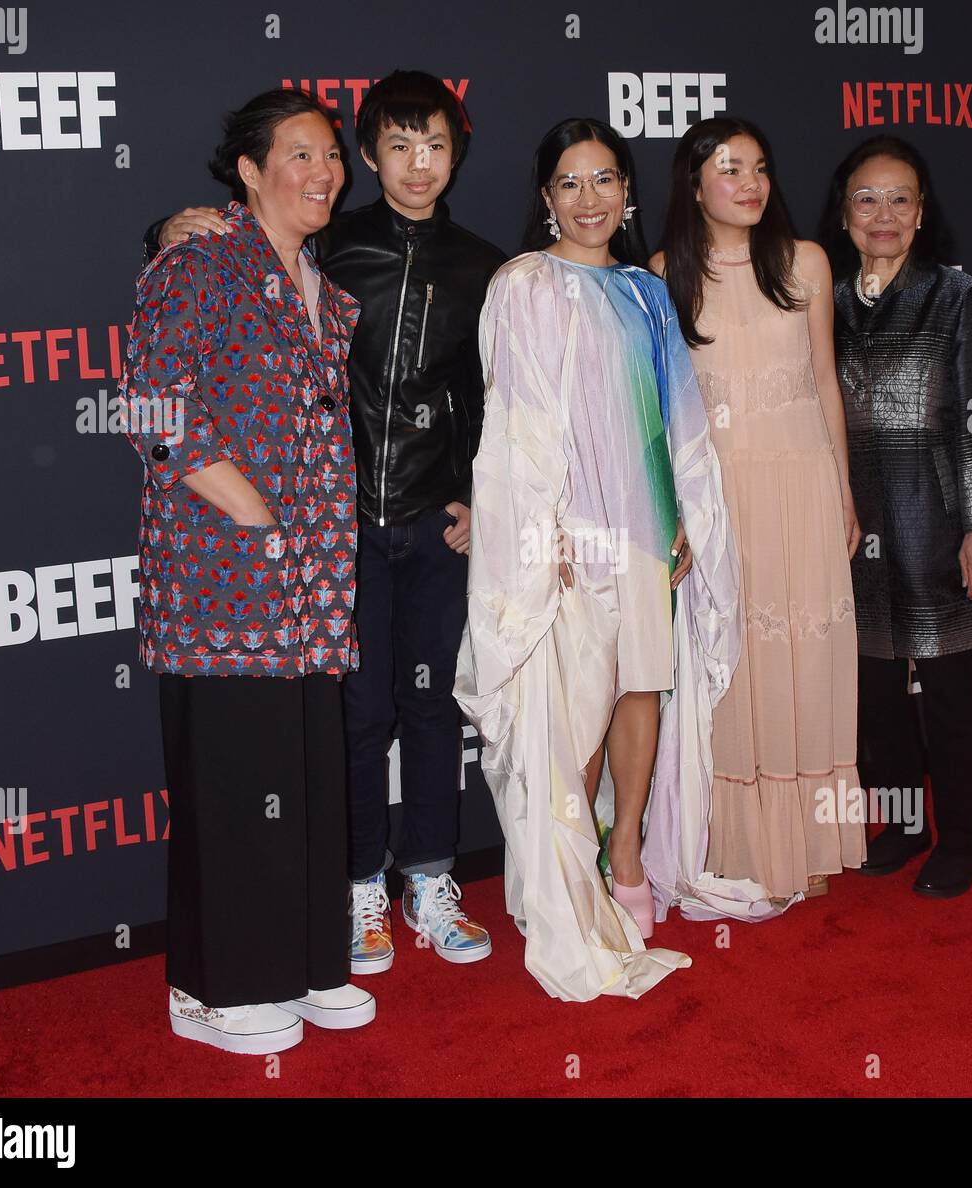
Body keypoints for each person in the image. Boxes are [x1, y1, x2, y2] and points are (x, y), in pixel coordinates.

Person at [149, 71, 506, 974]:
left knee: (429, 708)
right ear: (372, 154)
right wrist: (162, 229)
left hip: (431, 524)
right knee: (352, 717)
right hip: (331, 538)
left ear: (457, 154)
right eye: (395, 146)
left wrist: (474, 490)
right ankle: (355, 896)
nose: (417, 165)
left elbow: (497, 398)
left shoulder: (484, 266)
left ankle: (428, 878)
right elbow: (166, 392)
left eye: (436, 147)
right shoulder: (319, 247)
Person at [455, 117, 749, 1003]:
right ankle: (574, 877)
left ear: (627, 193)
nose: (590, 200)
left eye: (606, 181)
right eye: (571, 184)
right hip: (574, 542)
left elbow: (676, 418)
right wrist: (545, 540)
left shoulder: (647, 290)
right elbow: (518, 431)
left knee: (639, 690)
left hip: (648, 529)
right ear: (546, 200)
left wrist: (685, 516)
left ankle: (628, 858)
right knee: (570, 718)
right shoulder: (525, 286)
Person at [121, 88, 371, 1053]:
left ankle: (304, 965)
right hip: (220, 582)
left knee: (301, 776)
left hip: (311, 586)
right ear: (250, 171)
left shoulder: (316, 282)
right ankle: (211, 989)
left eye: (331, 157)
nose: (323, 172)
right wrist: (260, 519)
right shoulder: (197, 263)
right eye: (299, 155)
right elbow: (152, 414)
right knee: (233, 783)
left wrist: (304, 544)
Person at [652, 117, 865, 902]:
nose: (750, 183)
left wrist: (842, 489)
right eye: (730, 168)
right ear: (694, 183)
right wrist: (678, 511)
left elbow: (824, 384)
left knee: (808, 657)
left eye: (761, 168)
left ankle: (811, 837)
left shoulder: (805, 261)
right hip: (720, 495)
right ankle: (736, 841)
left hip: (802, 484)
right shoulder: (665, 272)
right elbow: (665, 415)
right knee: (733, 664)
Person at [821, 135, 972, 897]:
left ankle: (961, 841)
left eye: (899, 198)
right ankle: (903, 825)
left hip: (936, 517)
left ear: (922, 211)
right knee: (873, 695)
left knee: (948, 692)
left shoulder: (960, 297)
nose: (883, 214)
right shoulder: (825, 301)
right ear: (843, 213)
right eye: (866, 198)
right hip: (851, 525)